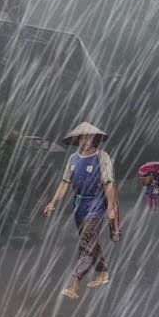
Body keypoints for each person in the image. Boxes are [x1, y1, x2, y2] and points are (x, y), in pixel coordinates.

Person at [42, 122, 121, 300]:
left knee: (86, 241)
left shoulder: (102, 157)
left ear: (95, 139)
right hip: (79, 204)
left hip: (96, 202)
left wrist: (110, 207)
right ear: (77, 139)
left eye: (89, 137)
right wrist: (52, 203)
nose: (85, 141)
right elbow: (64, 183)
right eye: (82, 137)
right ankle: (103, 272)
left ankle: (74, 283)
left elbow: (109, 184)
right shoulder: (72, 160)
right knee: (91, 241)